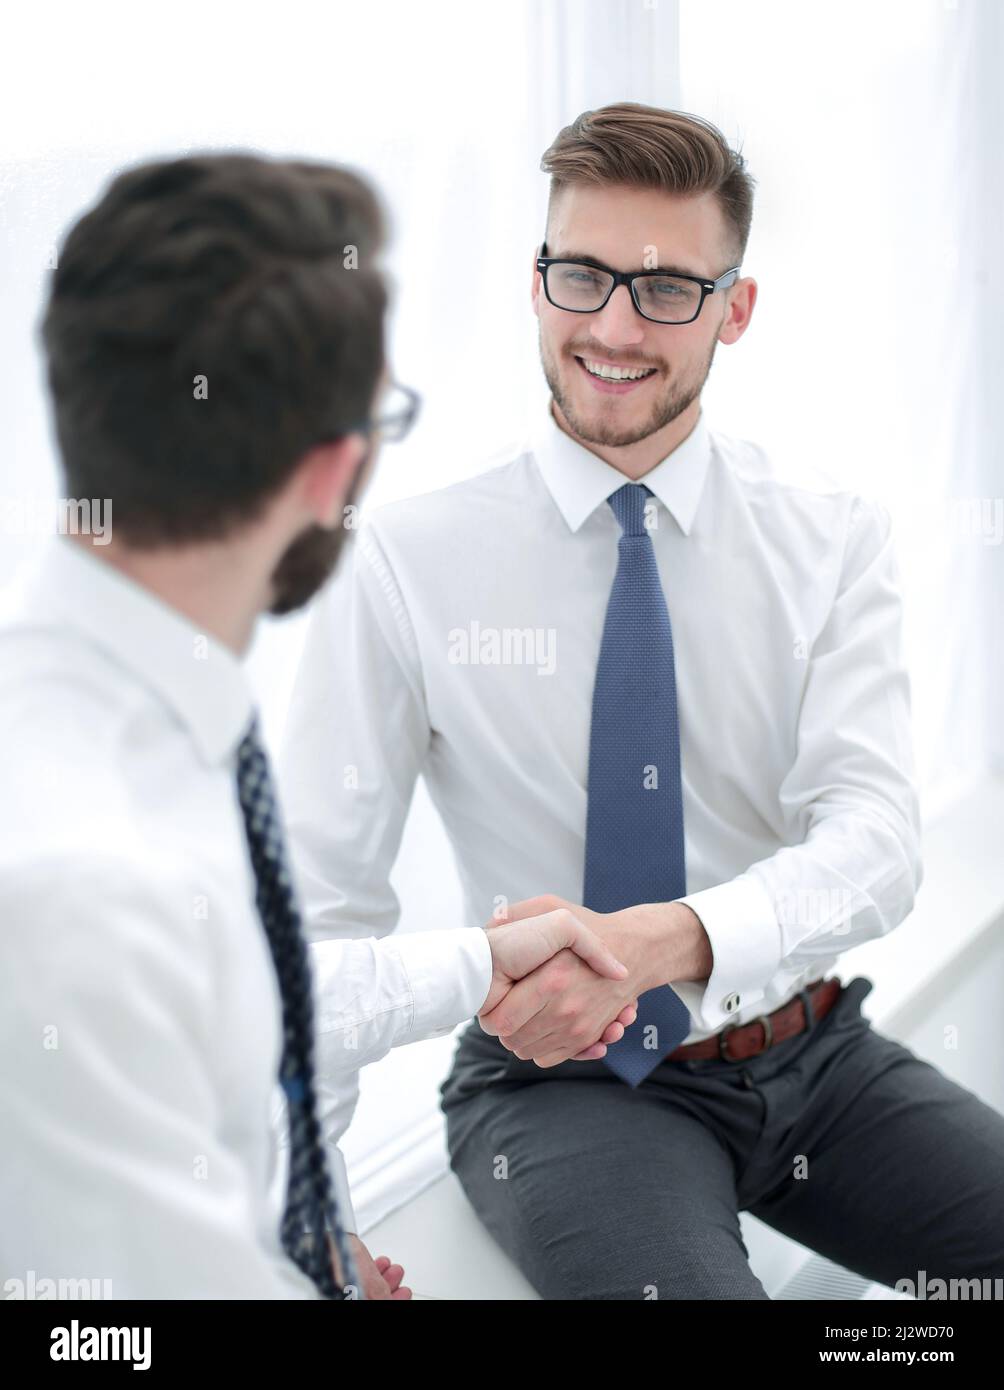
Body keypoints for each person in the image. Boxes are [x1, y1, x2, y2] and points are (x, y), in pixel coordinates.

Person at [280, 102, 1004, 1298]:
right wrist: (307, 1210)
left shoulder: (828, 538)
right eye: (581, 273)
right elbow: (319, 914)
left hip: (808, 1048)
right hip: (561, 1089)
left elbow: (876, 844)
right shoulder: (404, 562)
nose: (613, 324)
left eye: (665, 288)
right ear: (534, 280)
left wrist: (652, 942)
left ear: (735, 308)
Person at [0, 152, 637, 1302]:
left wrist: (475, 964)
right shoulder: (73, 886)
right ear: (332, 465)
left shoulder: (145, 704)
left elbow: (225, 993)